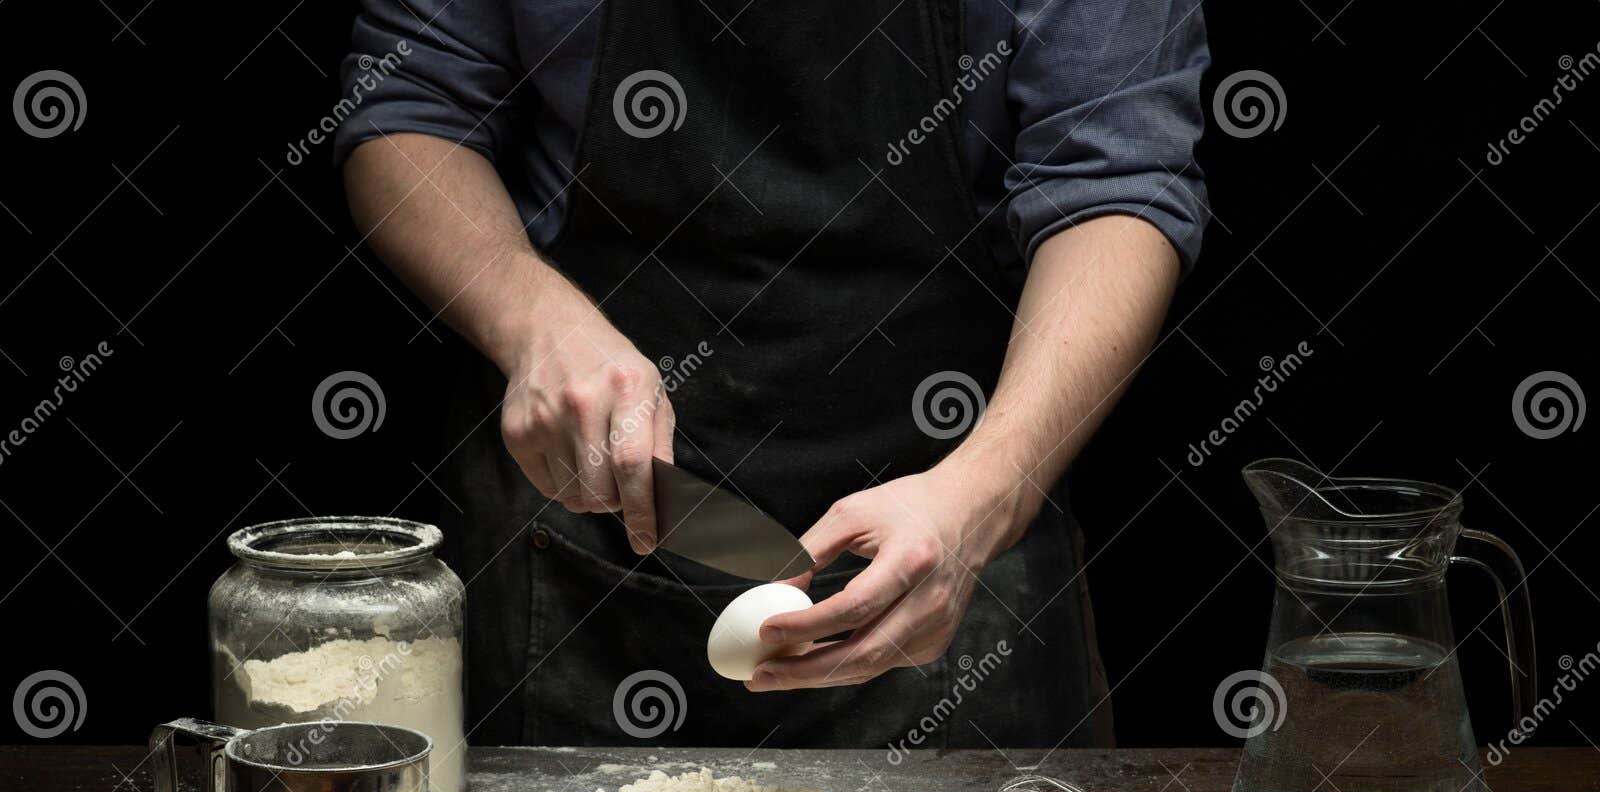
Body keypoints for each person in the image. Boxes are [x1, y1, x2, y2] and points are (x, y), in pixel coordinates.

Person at [333, 1, 1209, 750]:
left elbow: (1118, 175)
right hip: (575, 544)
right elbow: (410, 104)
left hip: (953, 541)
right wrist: (530, 317)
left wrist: (989, 489)